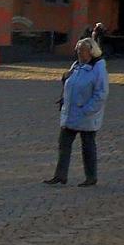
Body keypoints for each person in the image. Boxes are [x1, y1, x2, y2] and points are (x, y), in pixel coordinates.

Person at [44, 35, 109, 186]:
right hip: (71, 113)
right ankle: (60, 175)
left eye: (83, 51)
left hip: (87, 115)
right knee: (63, 145)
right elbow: (70, 83)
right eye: (78, 50)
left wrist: (87, 109)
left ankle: (91, 177)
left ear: (92, 52)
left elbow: (101, 93)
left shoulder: (98, 69)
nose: (79, 53)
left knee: (88, 147)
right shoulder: (76, 65)